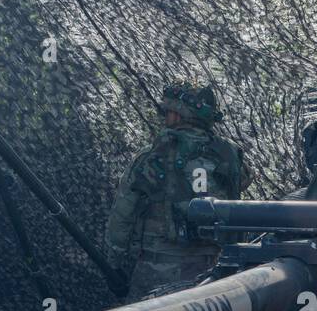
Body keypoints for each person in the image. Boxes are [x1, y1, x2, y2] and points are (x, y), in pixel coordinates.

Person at [104, 83, 250, 299]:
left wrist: (113, 263)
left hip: (158, 270)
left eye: (168, 112)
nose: (165, 118)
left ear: (178, 115)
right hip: (216, 270)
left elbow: (123, 214)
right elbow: (242, 184)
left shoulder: (152, 156)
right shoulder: (229, 155)